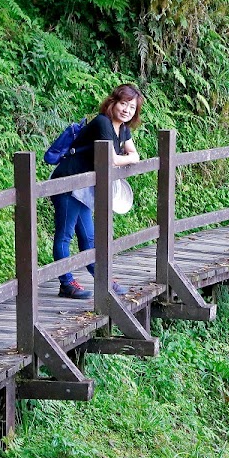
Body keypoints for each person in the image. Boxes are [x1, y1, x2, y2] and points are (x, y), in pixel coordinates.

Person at [49, 84, 143, 299]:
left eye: (132, 107)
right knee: (65, 234)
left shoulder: (123, 128)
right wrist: (127, 159)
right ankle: (66, 284)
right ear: (113, 103)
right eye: (123, 104)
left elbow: (132, 153)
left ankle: (102, 277)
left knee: (89, 237)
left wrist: (127, 158)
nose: (127, 110)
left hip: (83, 187)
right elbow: (112, 159)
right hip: (68, 182)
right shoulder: (103, 123)